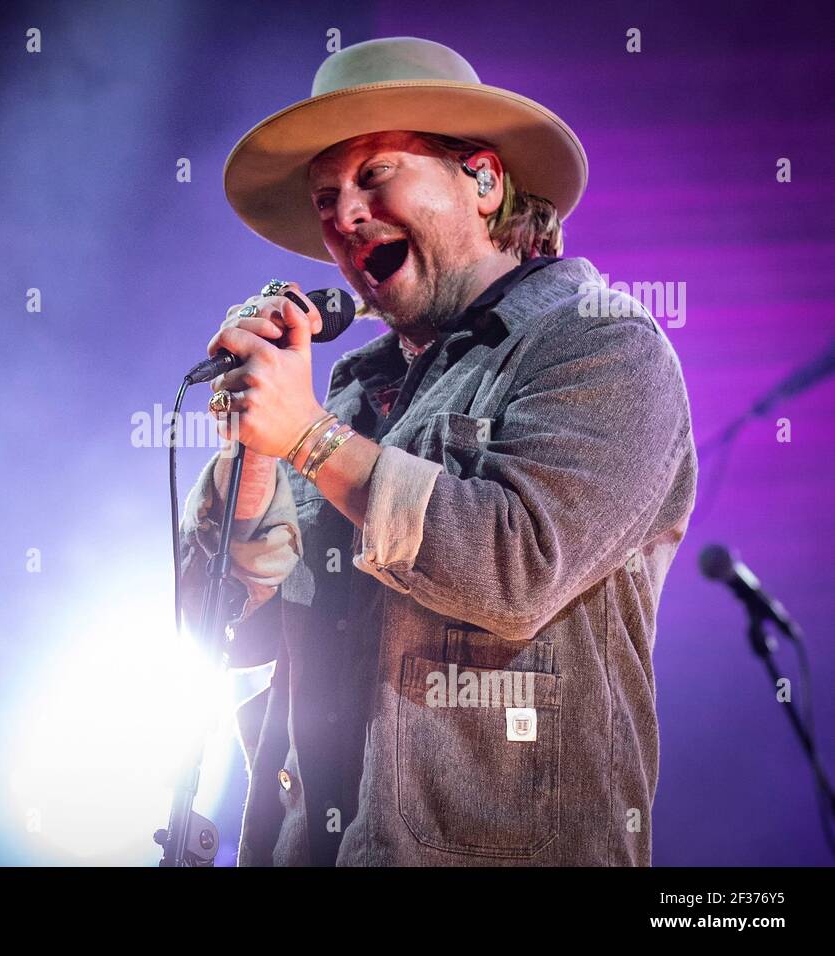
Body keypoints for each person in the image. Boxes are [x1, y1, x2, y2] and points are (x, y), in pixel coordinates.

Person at [178, 36, 697, 866]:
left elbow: (515, 564)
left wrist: (308, 439)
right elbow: (219, 638)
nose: (343, 216)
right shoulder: (345, 396)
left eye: (375, 176)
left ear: (484, 180)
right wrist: (259, 460)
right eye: (325, 198)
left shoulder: (602, 345)